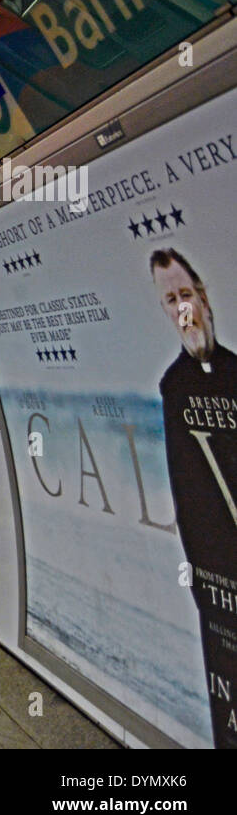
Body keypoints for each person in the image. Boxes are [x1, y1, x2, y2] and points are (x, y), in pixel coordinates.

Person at [152, 248, 237, 748]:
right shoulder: (174, 385)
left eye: (186, 295)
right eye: (170, 300)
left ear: (203, 298)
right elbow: (186, 492)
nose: (182, 309)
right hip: (215, 577)